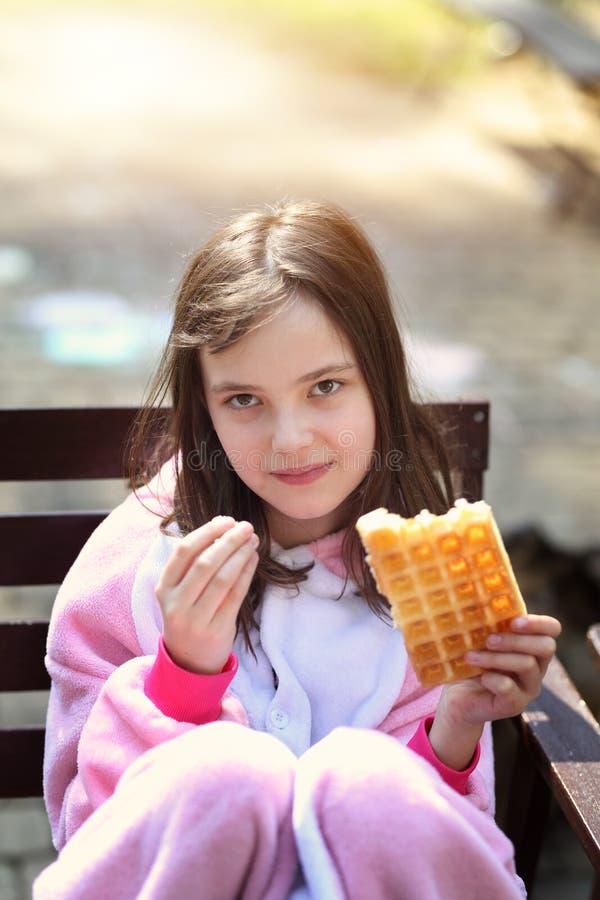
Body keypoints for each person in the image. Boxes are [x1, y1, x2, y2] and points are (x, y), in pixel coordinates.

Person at [34, 199, 561, 900]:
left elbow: (430, 840)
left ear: (381, 381)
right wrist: (182, 676)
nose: (289, 440)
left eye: (326, 388)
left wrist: (459, 719)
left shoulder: (429, 581)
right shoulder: (135, 570)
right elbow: (93, 839)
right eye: (244, 400)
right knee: (224, 773)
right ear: (203, 405)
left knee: (366, 782)